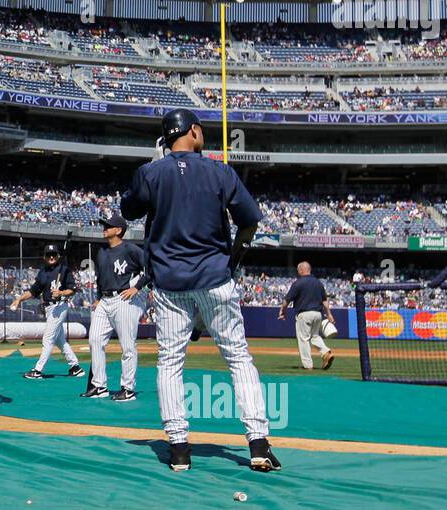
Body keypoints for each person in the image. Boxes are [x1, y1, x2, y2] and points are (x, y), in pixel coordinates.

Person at [120, 107, 279, 473]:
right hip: (214, 278)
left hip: (170, 283)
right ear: (192, 131)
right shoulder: (220, 171)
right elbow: (250, 222)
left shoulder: (152, 171)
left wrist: (153, 171)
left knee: (170, 364)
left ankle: (178, 450)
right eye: (201, 130)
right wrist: (232, 262)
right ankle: (258, 443)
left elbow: (127, 210)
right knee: (238, 359)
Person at [83, 210, 150, 402]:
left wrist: (137, 288)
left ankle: (128, 388)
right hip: (105, 300)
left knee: (127, 345)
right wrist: (97, 297)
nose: (104, 228)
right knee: (94, 340)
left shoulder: (130, 249)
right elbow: (100, 278)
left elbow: (150, 268)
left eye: (108, 226)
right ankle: (99, 386)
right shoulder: (102, 252)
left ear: (119, 230)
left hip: (124, 299)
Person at [11, 243, 85, 379]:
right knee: (60, 340)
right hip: (49, 308)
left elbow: (73, 290)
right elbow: (33, 291)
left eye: (54, 254)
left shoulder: (64, 270)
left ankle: (38, 370)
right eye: (48, 255)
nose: (51, 257)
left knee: (48, 339)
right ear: (44, 257)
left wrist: (61, 292)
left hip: (59, 306)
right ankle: (75, 367)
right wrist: (19, 299)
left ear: (58, 256)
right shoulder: (43, 272)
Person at [279, 261, 337, 370]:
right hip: (318, 314)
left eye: (298, 270)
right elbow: (325, 301)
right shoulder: (318, 283)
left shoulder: (298, 283)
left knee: (303, 339)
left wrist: (283, 311)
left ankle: (308, 365)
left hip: (304, 313)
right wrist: (329, 314)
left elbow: (287, 300)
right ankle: (326, 353)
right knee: (314, 336)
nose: (297, 272)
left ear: (301, 270)